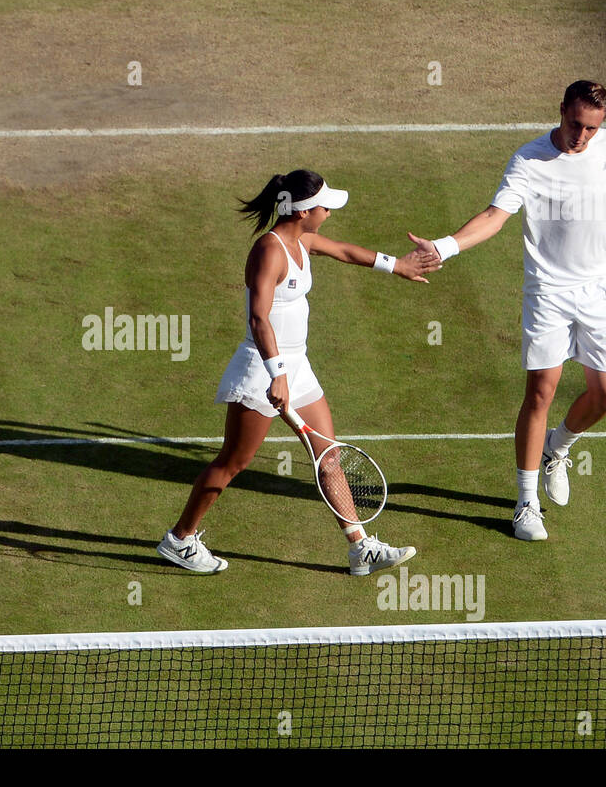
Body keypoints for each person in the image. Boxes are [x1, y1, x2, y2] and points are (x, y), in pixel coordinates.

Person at [410, 80, 606, 541]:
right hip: (549, 292)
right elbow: (494, 216)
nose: (581, 136)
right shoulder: (528, 159)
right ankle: (526, 503)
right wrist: (445, 247)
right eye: (575, 124)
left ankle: (556, 448)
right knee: (541, 392)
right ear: (561, 109)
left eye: (591, 128)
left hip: (604, 289)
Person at [158, 169, 439, 575]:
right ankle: (180, 540)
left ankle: (360, 547)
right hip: (262, 368)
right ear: (304, 211)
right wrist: (277, 374)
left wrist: (398, 265)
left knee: (329, 455)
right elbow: (258, 318)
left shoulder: (301, 240)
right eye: (325, 206)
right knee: (232, 462)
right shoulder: (269, 251)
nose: (329, 211)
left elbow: (344, 251)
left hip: (297, 367)